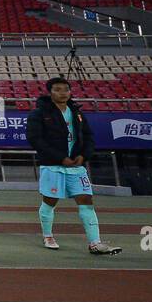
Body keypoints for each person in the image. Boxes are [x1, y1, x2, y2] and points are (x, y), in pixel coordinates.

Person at [25, 77, 120, 255]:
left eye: (66, 89)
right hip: (53, 166)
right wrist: (60, 157)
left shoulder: (77, 113)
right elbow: (35, 139)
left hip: (76, 166)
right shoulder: (39, 114)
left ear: (70, 92)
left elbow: (89, 137)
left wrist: (84, 155)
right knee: (50, 201)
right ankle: (48, 235)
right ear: (50, 92)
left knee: (86, 201)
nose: (62, 93)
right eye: (57, 89)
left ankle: (95, 243)